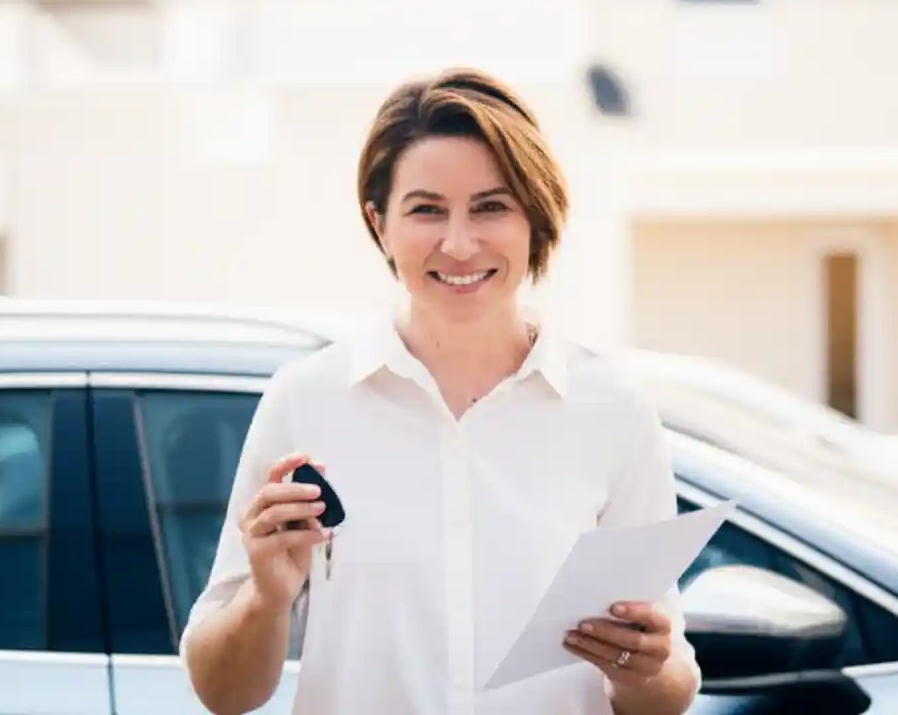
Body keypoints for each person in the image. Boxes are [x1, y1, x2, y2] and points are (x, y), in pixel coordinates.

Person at [180, 67, 700, 715]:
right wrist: (266, 598)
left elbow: (667, 688)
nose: (458, 244)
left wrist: (644, 669)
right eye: (427, 209)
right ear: (380, 224)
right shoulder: (306, 401)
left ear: (535, 216)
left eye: (491, 207)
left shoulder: (612, 409)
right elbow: (222, 695)